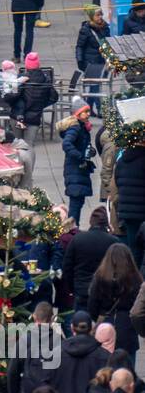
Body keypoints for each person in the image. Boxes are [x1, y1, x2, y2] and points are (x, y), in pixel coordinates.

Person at [87, 242, 142, 357]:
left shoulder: (100, 278)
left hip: (105, 324)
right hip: (127, 327)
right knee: (128, 366)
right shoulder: (135, 279)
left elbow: (92, 306)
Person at [60, 205, 117, 311]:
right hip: (104, 291)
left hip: (81, 289)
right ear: (106, 223)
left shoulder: (77, 239)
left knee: (81, 323)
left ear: (91, 221)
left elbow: (67, 266)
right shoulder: (113, 242)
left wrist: (72, 287)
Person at [61, 97, 96, 226]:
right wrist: (80, 156)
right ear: (77, 114)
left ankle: (73, 230)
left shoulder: (82, 127)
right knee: (76, 203)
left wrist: (89, 151)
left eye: (88, 111)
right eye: (85, 112)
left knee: (78, 201)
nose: (88, 114)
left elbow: (80, 144)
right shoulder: (75, 128)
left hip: (78, 170)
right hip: (75, 170)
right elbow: (67, 144)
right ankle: (71, 232)